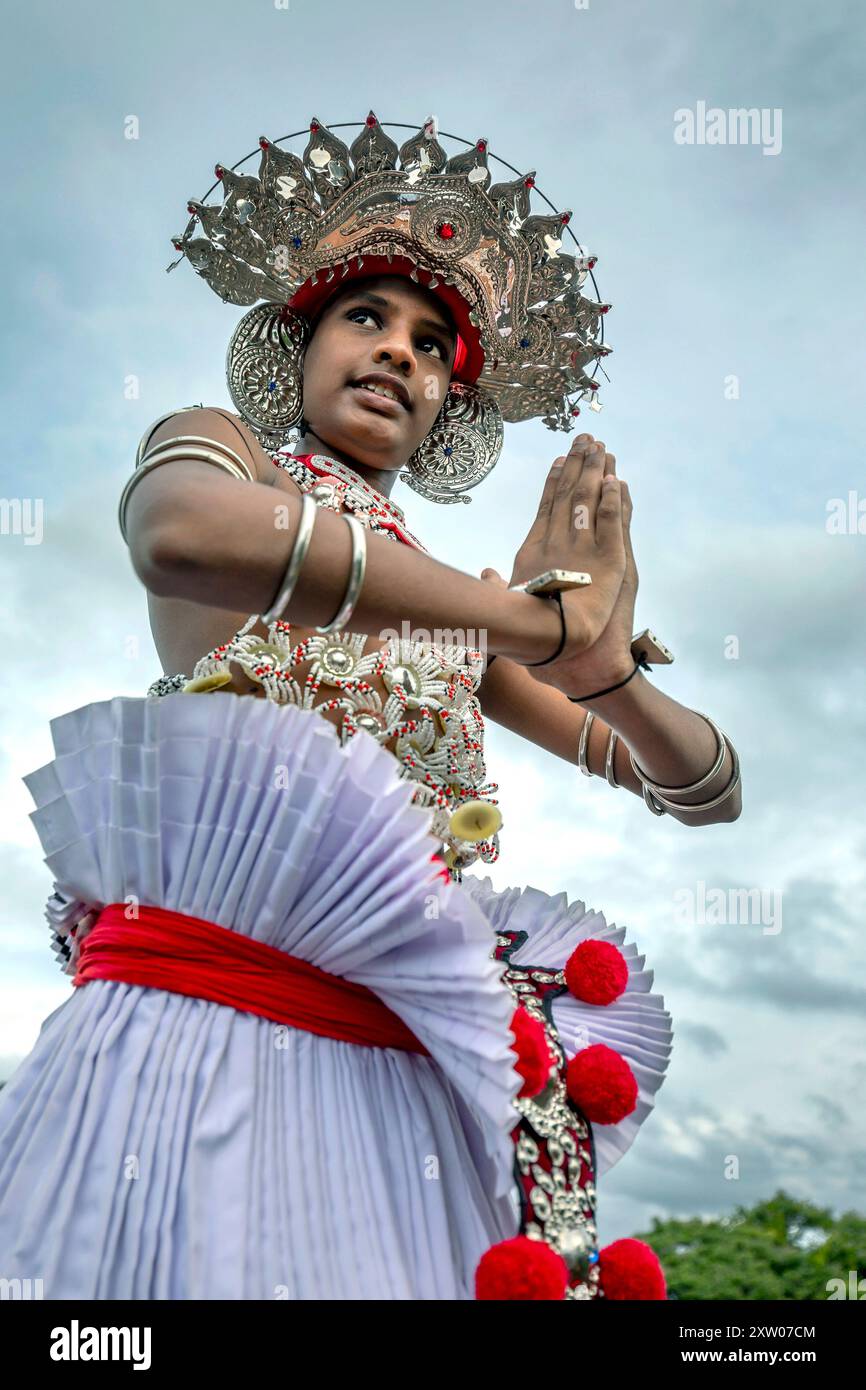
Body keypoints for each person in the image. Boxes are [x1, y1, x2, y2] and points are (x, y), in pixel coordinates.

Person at [0, 113, 740, 1301]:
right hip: (195, 1020)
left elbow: (702, 790)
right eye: (365, 316)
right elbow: (180, 535)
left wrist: (601, 666)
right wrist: (536, 624)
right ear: (296, 347)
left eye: (432, 342)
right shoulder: (223, 451)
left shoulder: (460, 618)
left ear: (452, 399)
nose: (398, 350)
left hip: (397, 1065)